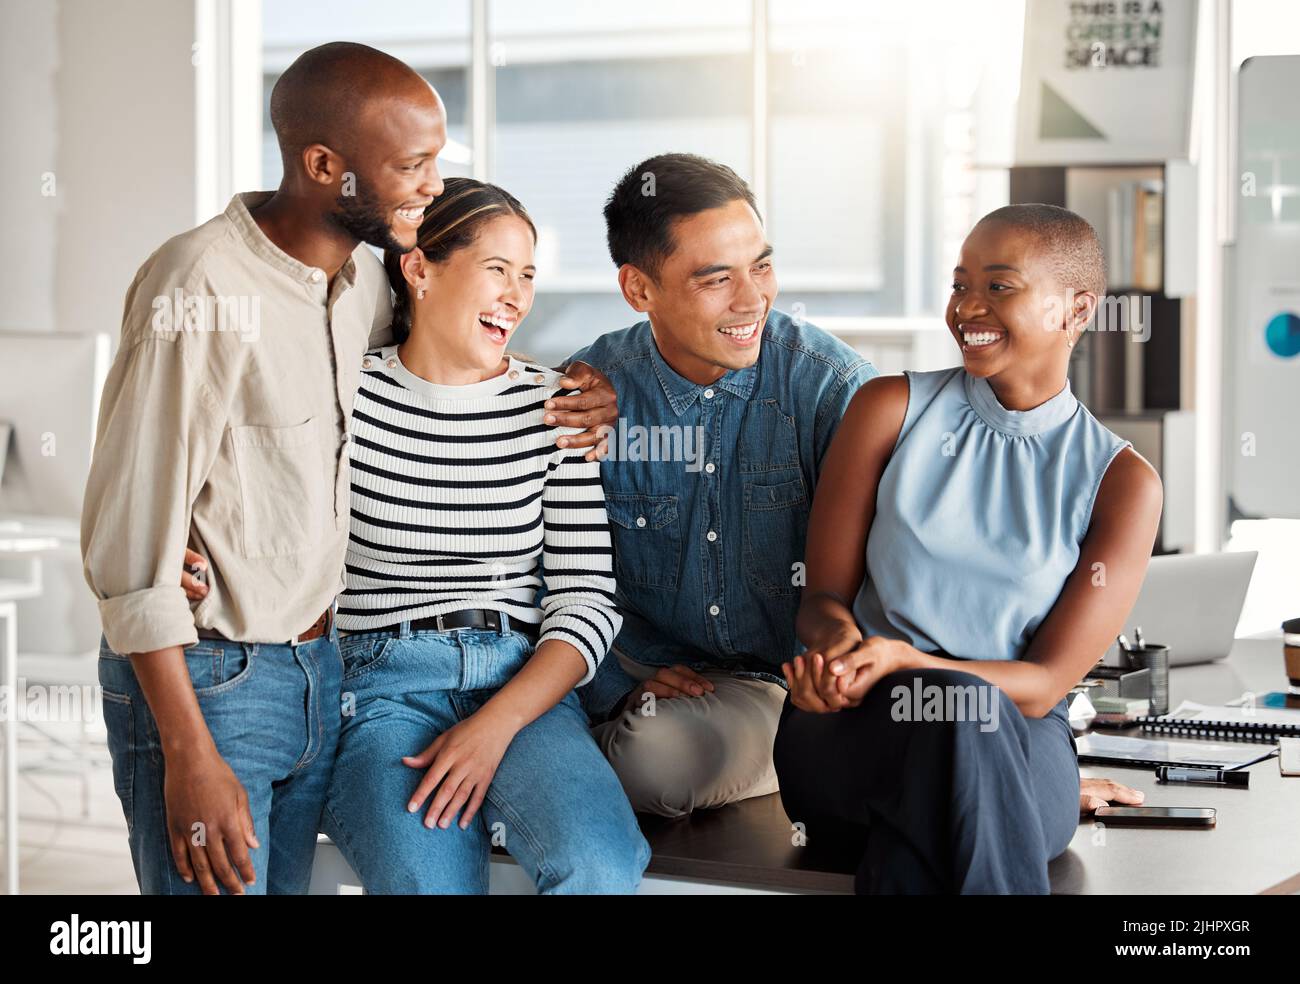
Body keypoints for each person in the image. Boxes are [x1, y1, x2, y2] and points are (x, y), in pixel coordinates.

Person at [83, 42, 615, 896]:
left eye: (438, 159)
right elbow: (128, 537)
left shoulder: (359, 288)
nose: (434, 186)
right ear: (325, 165)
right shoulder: (200, 283)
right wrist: (188, 752)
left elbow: (441, 373)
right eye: (413, 164)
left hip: (317, 677)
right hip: (212, 679)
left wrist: (584, 385)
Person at [773, 204, 1164, 894]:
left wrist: (908, 657)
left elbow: (1044, 687)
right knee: (955, 741)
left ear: (1078, 310)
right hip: (860, 728)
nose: (968, 308)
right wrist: (839, 653)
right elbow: (823, 600)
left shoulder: (1122, 482)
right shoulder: (887, 409)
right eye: (960, 285)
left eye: (999, 286)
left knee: (954, 742)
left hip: (1017, 739)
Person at [318, 178, 649, 893]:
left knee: (600, 865)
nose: (516, 295)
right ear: (420, 268)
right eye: (496, 269)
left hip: (520, 681)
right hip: (382, 689)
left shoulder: (559, 407)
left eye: (527, 275)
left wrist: (494, 726)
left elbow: (586, 598)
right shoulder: (346, 398)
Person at [570, 154, 878, 817]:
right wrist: (621, 680)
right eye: (716, 279)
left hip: (780, 691)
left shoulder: (832, 388)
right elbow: (547, 572)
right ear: (639, 289)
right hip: (640, 684)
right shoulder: (593, 389)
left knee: (654, 760)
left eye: (761, 266)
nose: (752, 299)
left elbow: (889, 587)